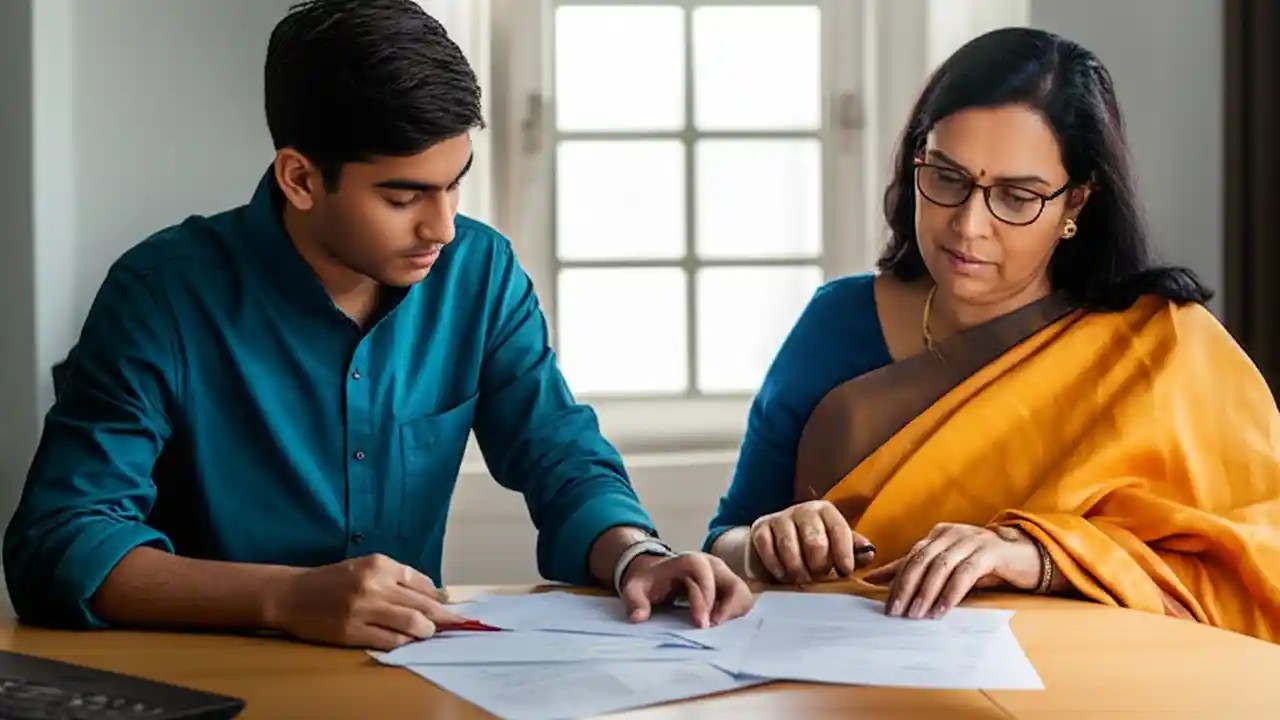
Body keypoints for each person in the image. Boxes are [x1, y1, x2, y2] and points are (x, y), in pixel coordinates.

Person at [3, 0, 752, 649]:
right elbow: (61, 542)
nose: (444, 228)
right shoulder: (161, 292)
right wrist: (286, 599)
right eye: (403, 198)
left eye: (455, 186)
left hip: (407, 678)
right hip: (212, 676)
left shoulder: (480, 273)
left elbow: (559, 454)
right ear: (300, 178)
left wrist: (636, 556)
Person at [704, 27, 1280, 642]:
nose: (968, 226)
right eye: (947, 179)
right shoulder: (837, 321)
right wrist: (765, 545)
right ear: (915, 161)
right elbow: (726, 541)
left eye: (1016, 196)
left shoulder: (1161, 351)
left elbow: (1254, 566)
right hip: (837, 676)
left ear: (1076, 204)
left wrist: (1042, 558)